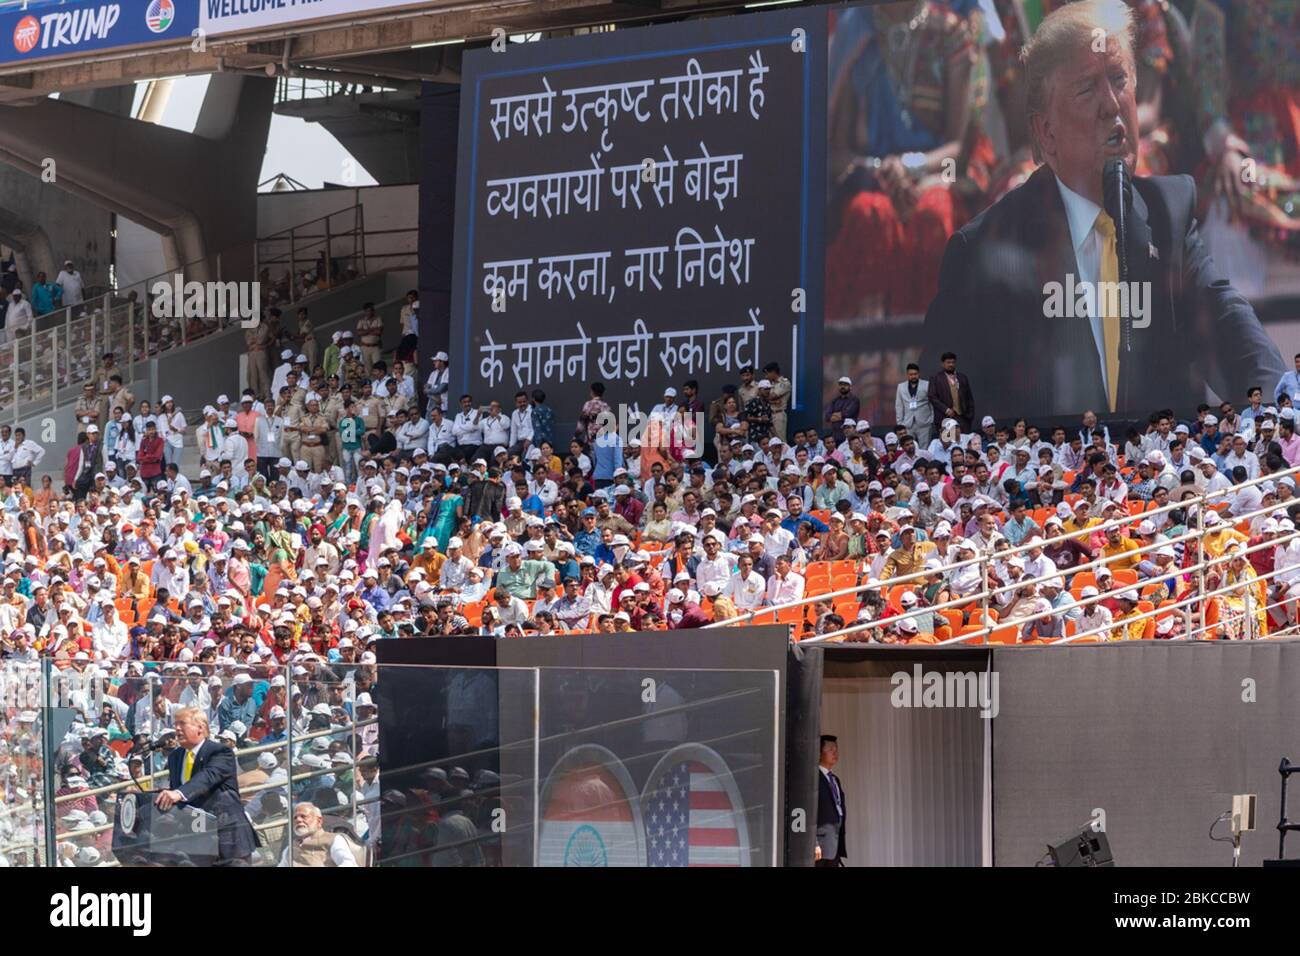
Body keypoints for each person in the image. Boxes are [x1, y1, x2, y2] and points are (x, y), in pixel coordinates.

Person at [919, 0, 1285, 418]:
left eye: (1119, 78)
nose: (1112, 105)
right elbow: (938, 423)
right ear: (1046, 132)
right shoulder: (980, 255)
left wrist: (1285, 418)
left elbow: (1243, 351)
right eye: (1087, 89)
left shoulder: (1169, 215)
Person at [154, 707, 260, 865]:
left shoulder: (220, 752)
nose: (177, 729)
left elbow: (207, 777)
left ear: (201, 728)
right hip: (197, 840)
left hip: (227, 838)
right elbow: (177, 791)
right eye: (176, 724)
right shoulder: (175, 757)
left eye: (182, 724)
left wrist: (179, 793)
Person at [277, 802, 361, 867]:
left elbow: (349, 864)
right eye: (295, 817)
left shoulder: (333, 840)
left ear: (319, 821)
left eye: (303, 816)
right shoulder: (290, 848)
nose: (298, 820)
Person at [815, 734, 846, 867]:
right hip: (820, 846)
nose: (835, 753)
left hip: (835, 843)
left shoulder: (835, 779)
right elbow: (805, 813)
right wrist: (813, 843)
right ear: (820, 753)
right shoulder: (814, 778)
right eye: (830, 749)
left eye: (836, 749)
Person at [928, 352, 973, 435]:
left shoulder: (962, 377)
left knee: (964, 442)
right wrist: (946, 409)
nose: (951, 365)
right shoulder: (936, 378)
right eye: (948, 362)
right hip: (945, 417)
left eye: (953, 362)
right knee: (949, 443)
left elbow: (969, 398)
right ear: (942, 364)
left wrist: (970, 415)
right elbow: (932, 397)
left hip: (963, 417)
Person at [895, 363, 934, 447]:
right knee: (908, 447)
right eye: (911, 374)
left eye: (915, 374)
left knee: (925, 447)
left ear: (918, 373)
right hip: (908, 423)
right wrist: (900, 423)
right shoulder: (901, 387)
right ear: (907, 375)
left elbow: (932, 403)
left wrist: (931, 419)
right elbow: (899, 406)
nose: (913, 376)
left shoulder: (927, 385)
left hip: (924, 423)